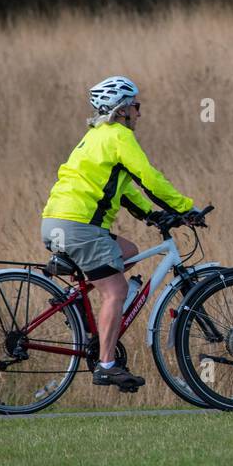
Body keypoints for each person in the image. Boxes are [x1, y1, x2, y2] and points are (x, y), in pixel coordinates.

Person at [41, 76, 205, 390]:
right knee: (115, 291)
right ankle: (106, 365)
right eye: (136, 106)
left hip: (56, 224)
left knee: (128, 251)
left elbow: (125, 188)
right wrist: (184, 208)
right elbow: (149, 178)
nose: (139, 114)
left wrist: (151, 214)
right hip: (80, 227)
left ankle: (78, 300)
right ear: (121, 110)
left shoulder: (94, 137)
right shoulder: (119, 136)